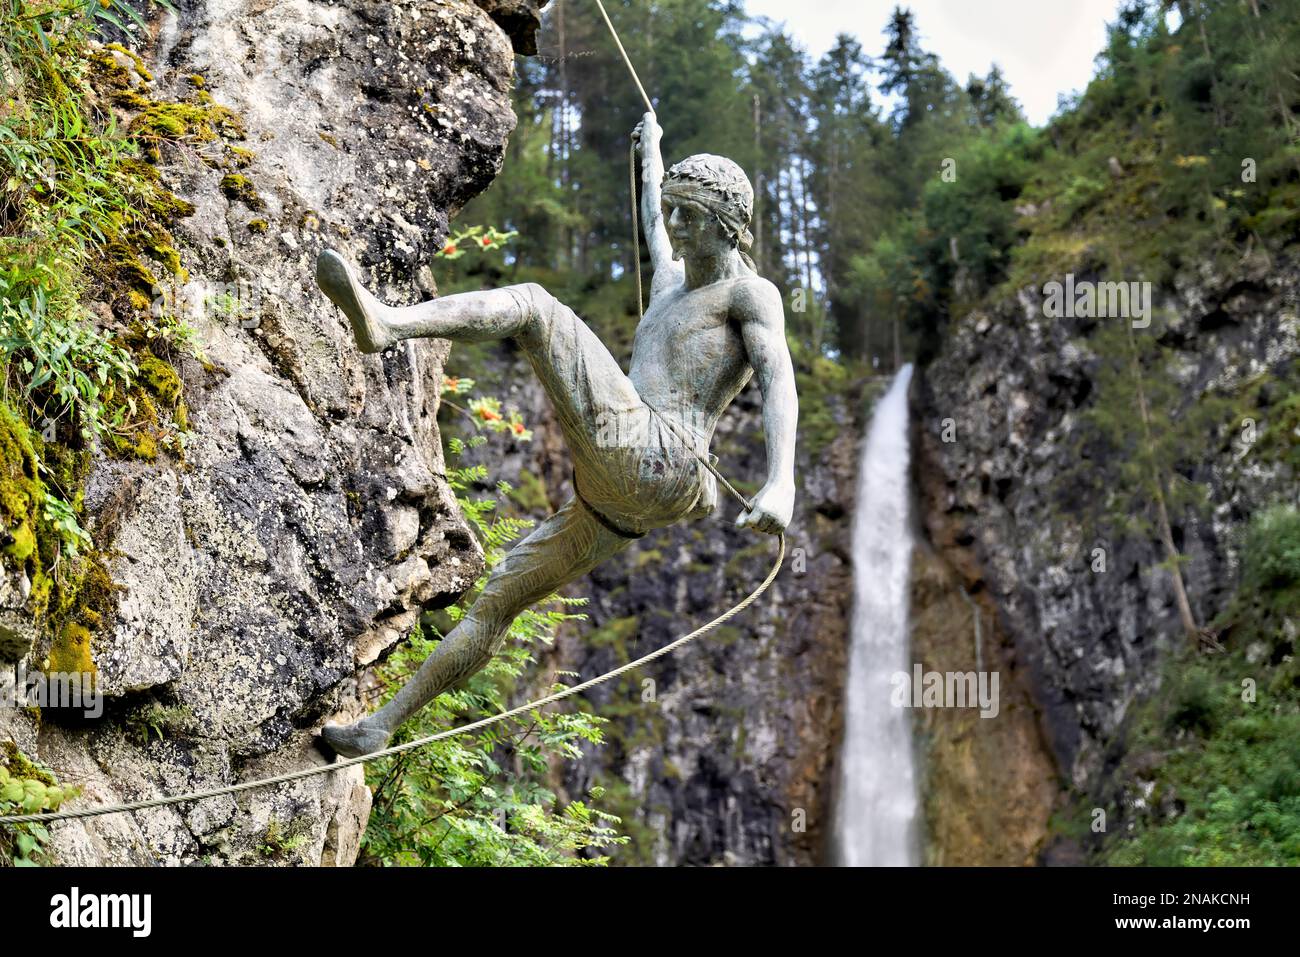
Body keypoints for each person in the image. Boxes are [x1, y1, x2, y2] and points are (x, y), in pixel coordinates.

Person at [315, 113, 797, 757]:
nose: (676, 228)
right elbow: (651, 219)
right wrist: (650, 152)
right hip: (616, 502)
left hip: (659, 456)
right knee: (499, 600)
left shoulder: (751, 294)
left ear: (728, 225)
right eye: (675, 213)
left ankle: (388, 325)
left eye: (692, 217)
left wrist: (781, 480)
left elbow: (779, 376)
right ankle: (382, 727)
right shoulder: (669, 278)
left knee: (538, 307)